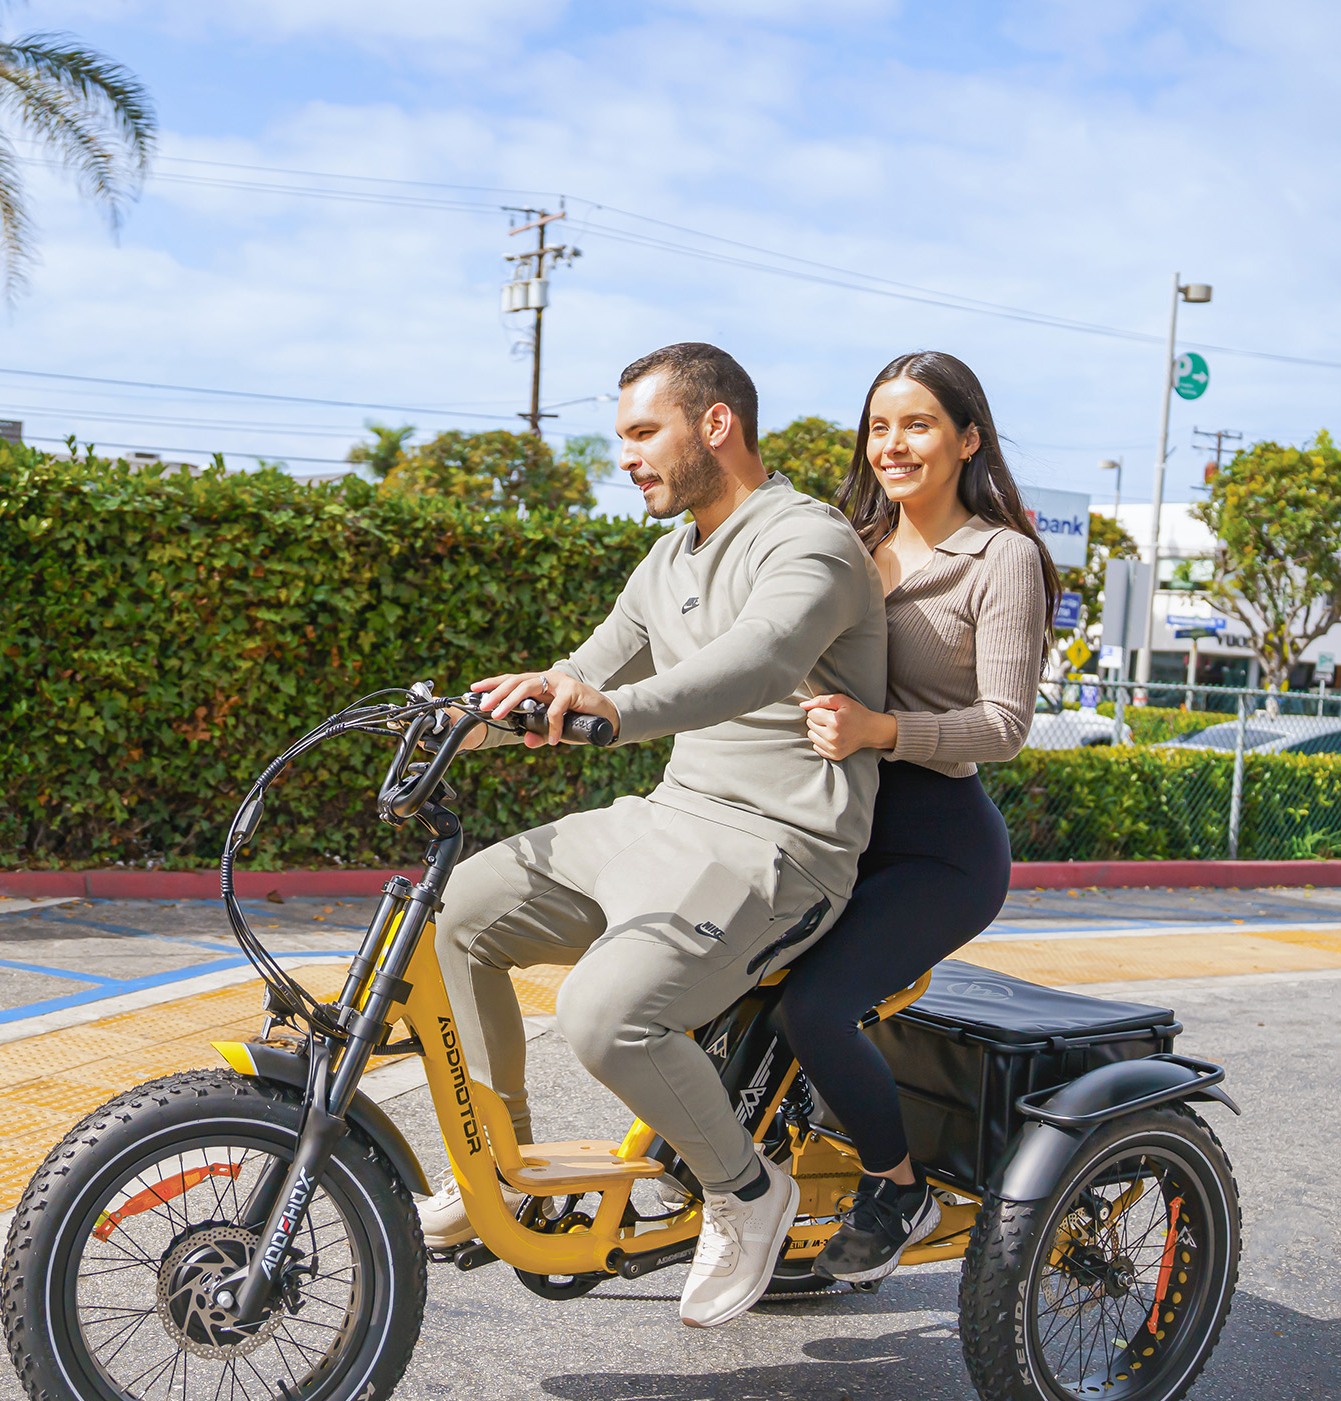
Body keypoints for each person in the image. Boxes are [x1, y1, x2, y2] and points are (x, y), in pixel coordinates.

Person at [422, 342, 888, 1328]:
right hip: (668, 819)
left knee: (604, 1015)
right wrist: (480, 711)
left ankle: (748, 1193)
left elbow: (760, 662)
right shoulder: (668, 558)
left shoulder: (808, 542)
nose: (625, 456)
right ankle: (498, 1172)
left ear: (715, 424)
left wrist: (614, 713)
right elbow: (586, 665)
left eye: (643, 433)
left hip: (776, 850)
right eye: (621, 438)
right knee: (456, 910)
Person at [778, 350, 1057, 1286]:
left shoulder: (1002, 555)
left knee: (813, 1007)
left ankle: (898, 1188)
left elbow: (1004, 726)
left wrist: (879, 729)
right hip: (830, 830)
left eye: (920, 424)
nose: (893, 444)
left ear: (967, 439)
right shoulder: (846, 544)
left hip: (938, 847)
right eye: (880, 425)